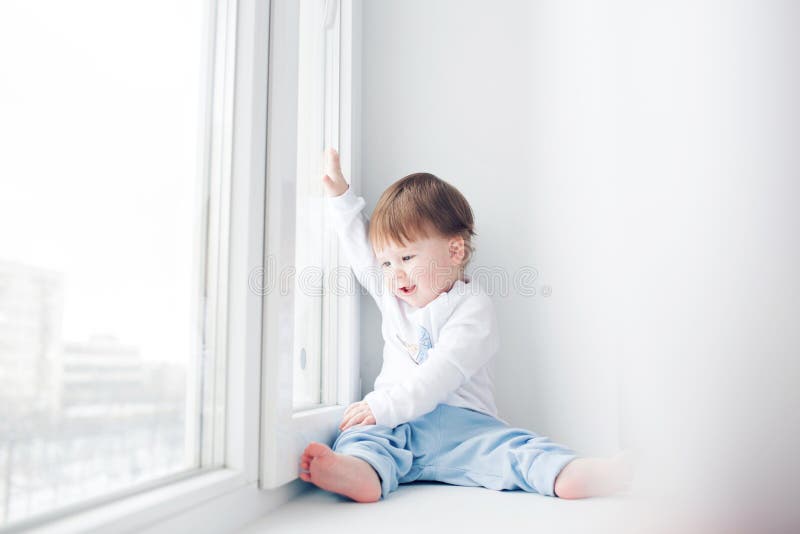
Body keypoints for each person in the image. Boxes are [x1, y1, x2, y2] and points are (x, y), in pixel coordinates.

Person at [299, 148, 631, 503]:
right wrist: (340, 197)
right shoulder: (393, 295)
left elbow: (441, 374)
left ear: (454, 251)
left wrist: (383, 407)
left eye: (407, 258)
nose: (395, 275)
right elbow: (359, 248)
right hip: (399, 429)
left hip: (463, 427)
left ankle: (572, 474)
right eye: (386, 263)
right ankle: (361, 471)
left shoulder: (472, 308)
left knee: (515, 450)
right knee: (359, 439)